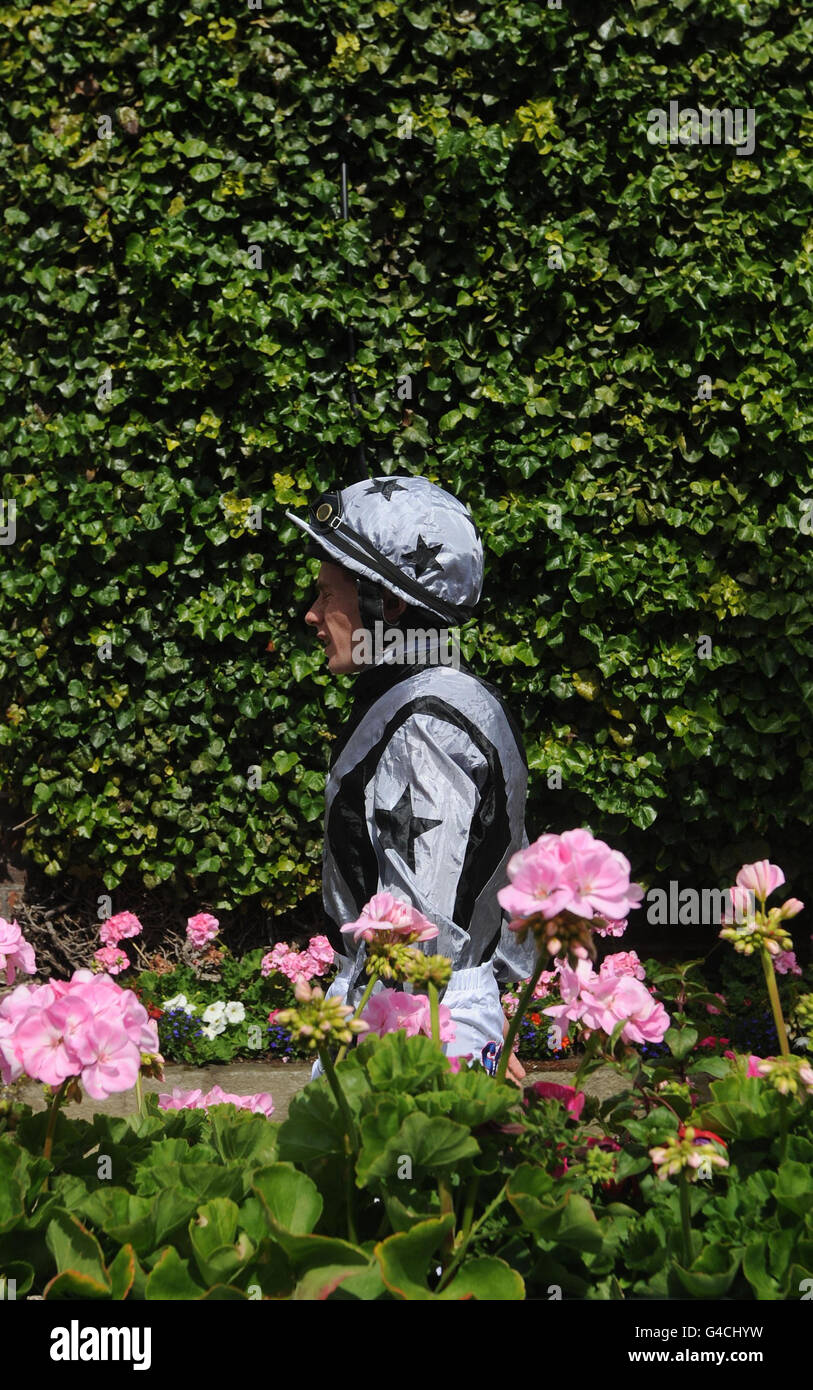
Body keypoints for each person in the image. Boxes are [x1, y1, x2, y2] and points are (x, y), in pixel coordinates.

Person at [284, 475, 534, 1082]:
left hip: (406, 1021)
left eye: (327, 595)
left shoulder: (424, 721)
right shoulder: (443, 695)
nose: (312, 616)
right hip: (430, 1007)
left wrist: (431, 1031)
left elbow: (417, 927)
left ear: (389, 605)